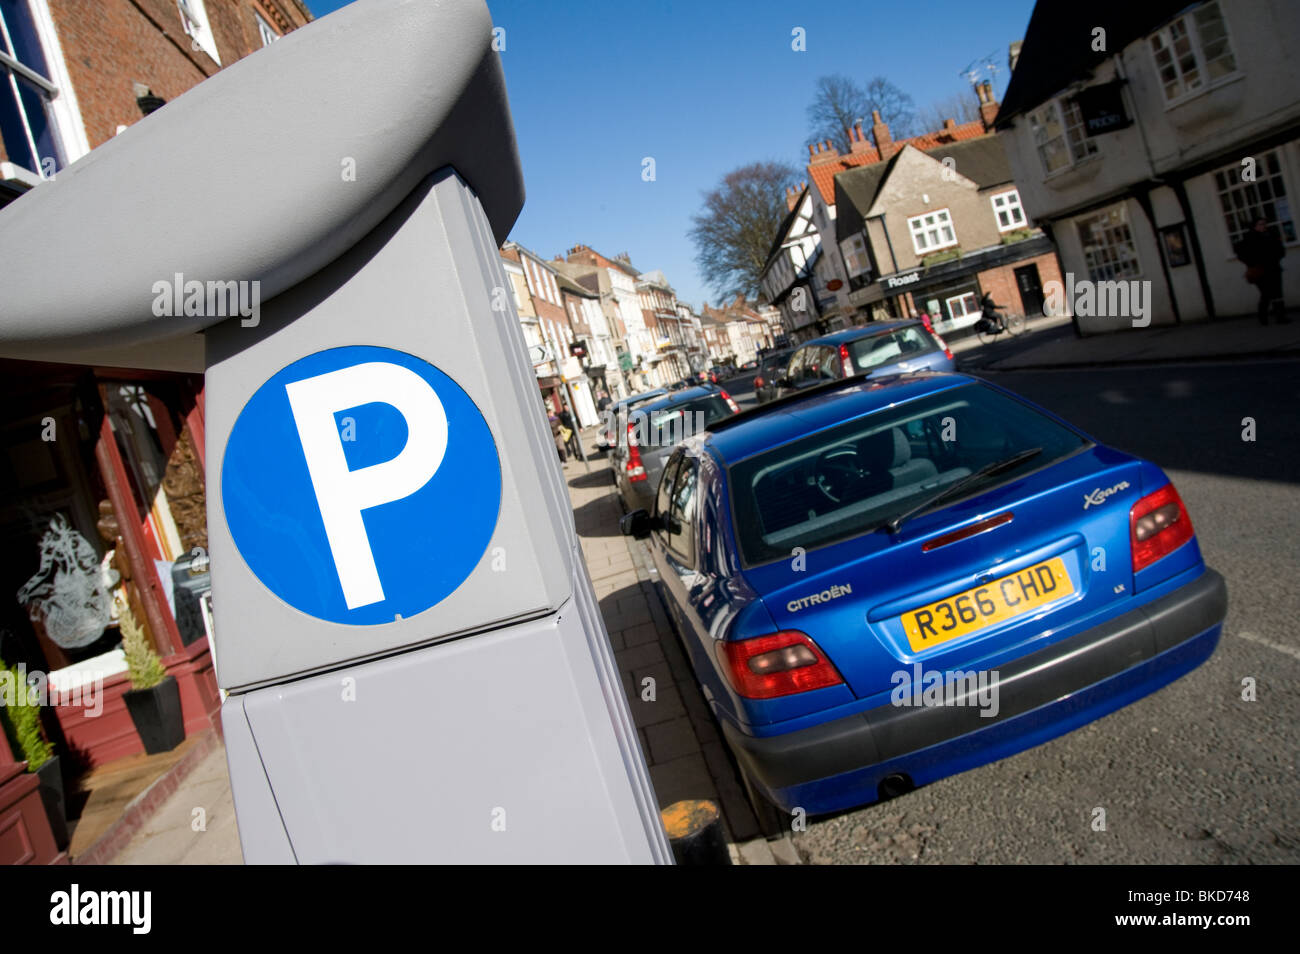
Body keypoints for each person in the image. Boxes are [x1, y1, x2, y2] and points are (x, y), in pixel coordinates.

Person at [1235, 218, 1289, 325]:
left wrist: (1277, 255)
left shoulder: (1270, 236)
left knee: (1277, 293)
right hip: (1260, 270)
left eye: (1264, 224)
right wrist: (1252, 263)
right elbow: (1241, 253)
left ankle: (1280, 316)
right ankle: (1263, 317)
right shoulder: (1250, 238)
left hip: (1273, 267)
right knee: (1266, 293)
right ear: (1255, 226)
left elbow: (1279, 249)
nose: (1263, 226)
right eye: (1260, 224)